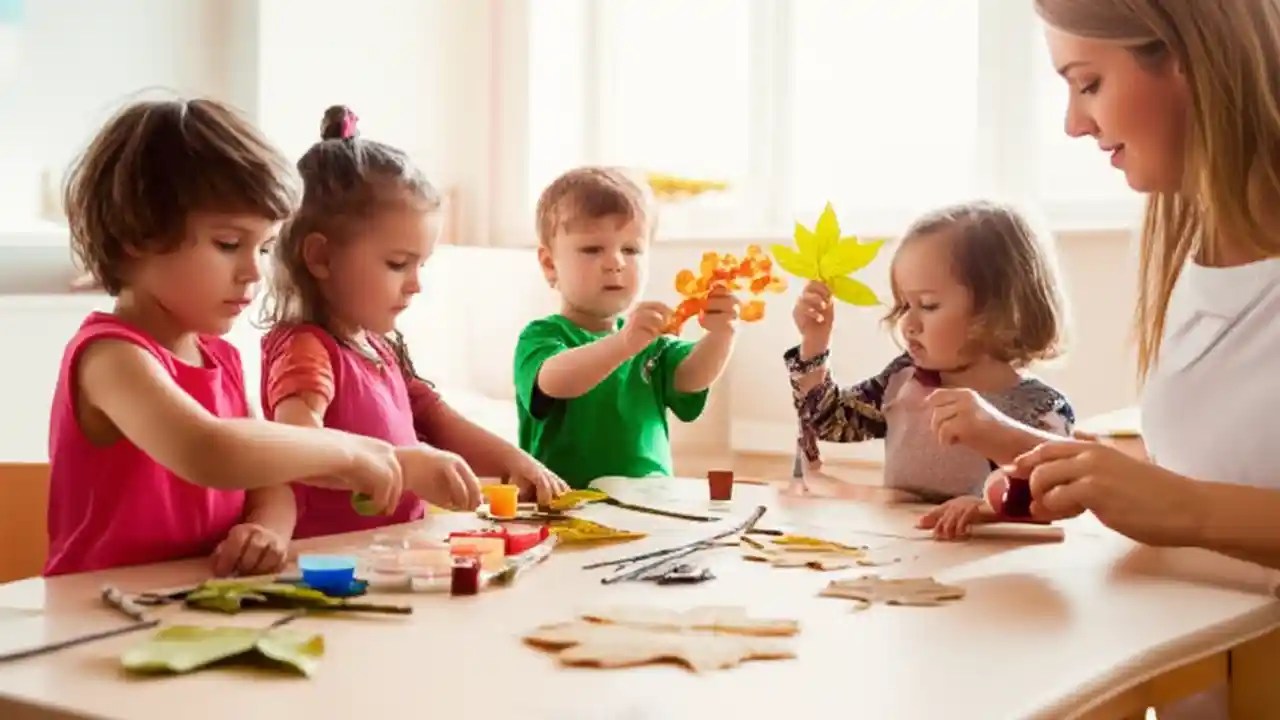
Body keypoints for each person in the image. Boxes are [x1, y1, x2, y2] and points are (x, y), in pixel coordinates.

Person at [998, 3, 1280, 716]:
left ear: (1187, 56)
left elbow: (1204, 504)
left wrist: (1186, 509)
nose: (1074, 123)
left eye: (1088, 83)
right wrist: (1090, 482)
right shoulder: (1200, 258)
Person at [45, 97, 416, 577]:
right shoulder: (111, 356)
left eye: (262, 247)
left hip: (196, 605)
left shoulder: (220, 359)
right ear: (137, 235)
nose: (252, 272)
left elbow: (271, 486)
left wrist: (267, 530)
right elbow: (208, 450)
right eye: (228, 245)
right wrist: (348, 452)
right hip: (96, 612)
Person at [259, 105, 564, 539]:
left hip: (392, 549)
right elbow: (296, 444)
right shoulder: (307, 349)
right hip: (332, 557)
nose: (415, 284)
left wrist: (515, 461)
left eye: (421, 264)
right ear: (321, 257)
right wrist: (402, 464)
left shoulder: (376, 347)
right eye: (398, 264)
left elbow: (438, 420)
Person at [788, 200, 1075, 539]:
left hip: (987, 561)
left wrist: (986, 511)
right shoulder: (901, 380)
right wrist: (815, 342)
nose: (908, 323)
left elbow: (1058, 496)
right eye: (904, 305)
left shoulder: (1041, 409)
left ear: (999, 311)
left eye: (927, 305)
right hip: (903, 546)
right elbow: (827, 422)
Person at [514, 166, 738, 489]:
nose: (615, 262)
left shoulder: (651, 340)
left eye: (631, 249)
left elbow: (691, 377)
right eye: (593, 249)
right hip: (569, 512)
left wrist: (721, 334)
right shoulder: (542, 336)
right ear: (550, 264)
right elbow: (554, 381)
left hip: (652, 507)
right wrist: (623, 344)